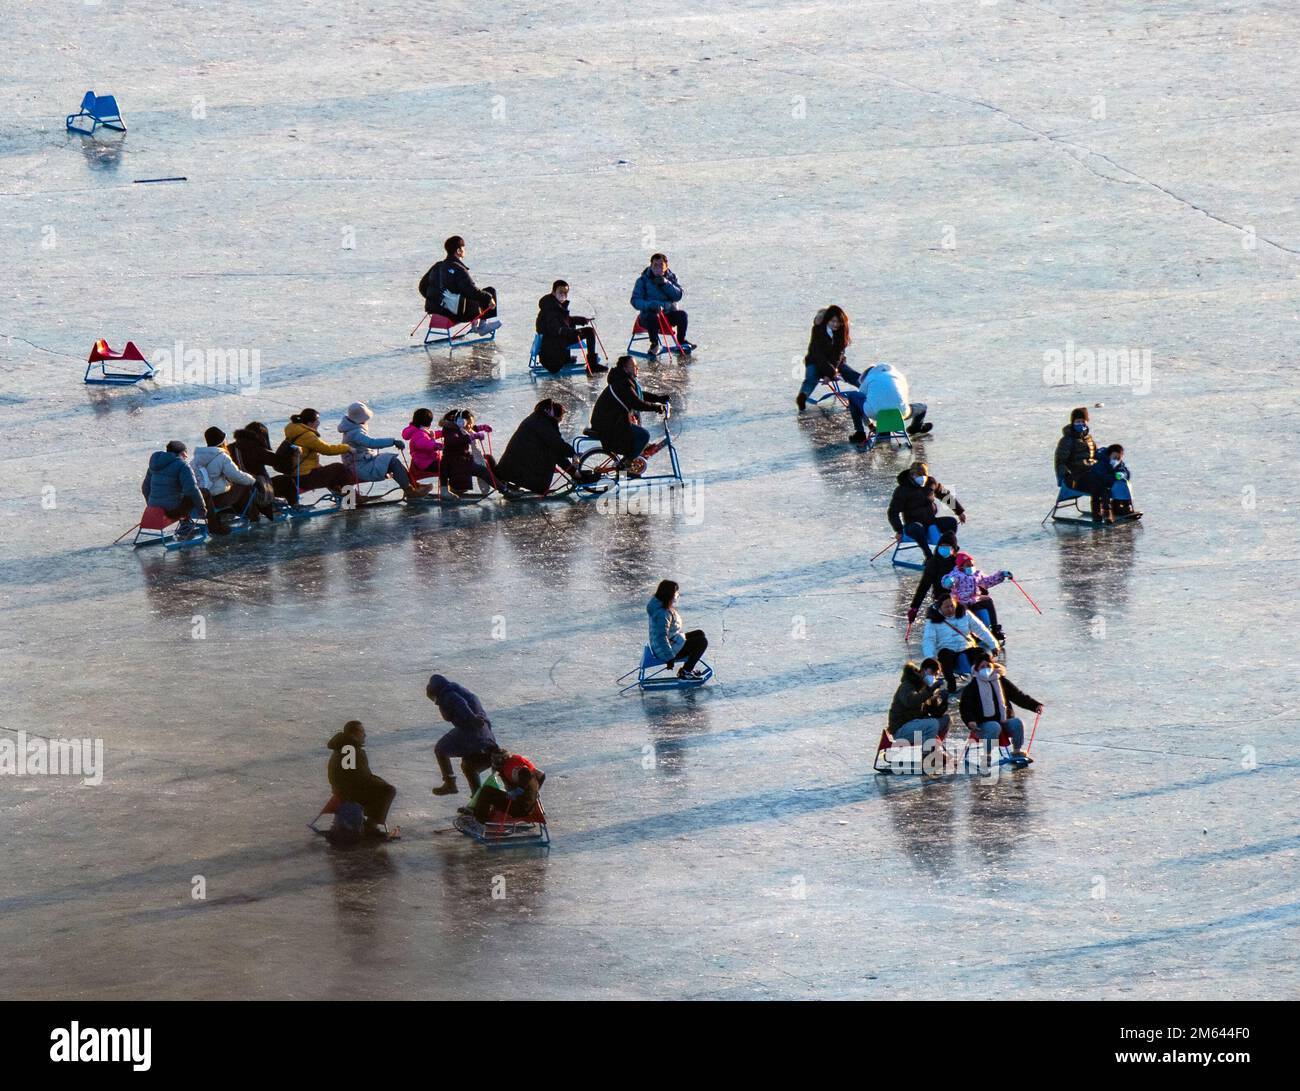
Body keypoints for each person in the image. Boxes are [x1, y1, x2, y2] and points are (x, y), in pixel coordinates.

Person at [959, 649, 1043, 769]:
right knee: (994, 726)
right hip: (982, 725)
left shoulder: (1001, 681)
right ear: (976, 669)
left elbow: (1018, 696)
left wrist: (1035, 705)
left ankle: (1017, 750)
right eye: (982, 666)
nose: (986, 668)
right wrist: (970, 721)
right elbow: (965, 708)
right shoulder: (972, 687)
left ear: (993, 666)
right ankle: (986, 755)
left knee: (1017, 723)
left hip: (1003, 720)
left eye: (988, 665)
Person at [588, 355, 670, 473]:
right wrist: (657, 407)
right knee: (643, 435)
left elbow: (638, 395)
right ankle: (626, 464)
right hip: (609, 426)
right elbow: (637, 402)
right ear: (625, 369)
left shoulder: (623, 381)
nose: (637, 368)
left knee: (640, 437)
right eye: (634, 366)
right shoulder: (623, 383)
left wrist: (659, 398)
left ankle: (627, 471)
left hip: (614, 422)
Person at [336, 402, 432, 500]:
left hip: (363, 461)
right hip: (359, 466)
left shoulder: (353, 428)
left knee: (391, 461)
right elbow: (371, 443)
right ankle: (409, 491)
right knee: (392, 461)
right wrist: (393, 442)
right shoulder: (355, 433)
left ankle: (413, 485)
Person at [495, 399, 590, 495]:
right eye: (560, 418)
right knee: (553, 453)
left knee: (553, 452)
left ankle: (575, 474)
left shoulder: (539, 418)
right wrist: (572, 453)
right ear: (555, 415)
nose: (560, 421)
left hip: (515, 461)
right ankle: (575, 475)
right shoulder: (543, 422)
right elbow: (556, 443)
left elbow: (555, 445)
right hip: (519, 462)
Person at [427, 674, 499, 796]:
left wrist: (472, 719)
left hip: (471, 732)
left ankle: (450, 783)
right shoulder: (459, 690)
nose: (435, 703)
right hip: (486, 737)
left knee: (440, 749)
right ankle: (476, 802)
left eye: (434, 699)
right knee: (469, 766)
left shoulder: (447, 695)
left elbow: (460, 704)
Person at [325, 720, 397, 838]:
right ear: (354, 734)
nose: (365, 735)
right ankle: (370, 826)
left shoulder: (346, 746)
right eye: (362, 732)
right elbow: (357, 778)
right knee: (388, 790)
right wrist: (380, 783)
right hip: (349, 792)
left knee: (382, 788)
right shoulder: (350, 750)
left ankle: (364, 821)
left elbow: (355, 775)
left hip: (344, 789)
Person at [418, 235, 501, 336]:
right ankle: (482, 326)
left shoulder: (437, 266)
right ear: (458, 251)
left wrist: (435, 300)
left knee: (466, 294)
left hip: (434, 311)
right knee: (489, 291)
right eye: (463, 247)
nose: (464, 250)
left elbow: (422, 287)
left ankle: (475, 324)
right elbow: (471, 291)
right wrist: (489, 298)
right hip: (453, 314)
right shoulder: (459, 268)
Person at [921, 594, 998, 693]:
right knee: (945, 657)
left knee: (981, 653)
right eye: (947, 607)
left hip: (966, 646)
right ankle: (951, 683)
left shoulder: (965, 614)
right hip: (947, 648)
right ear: (940, 607)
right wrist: (930, 656)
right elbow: (929, 639)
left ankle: (982, 679)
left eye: (952, 606)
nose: (950, 609)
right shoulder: (933, 621)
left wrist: (993, 645)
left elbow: (980, 629)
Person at [887, 461, 967, 557]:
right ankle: (929, 556)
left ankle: (950, 551)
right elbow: (892, 512)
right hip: (912, 525)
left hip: (930, 521)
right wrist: (899, 530)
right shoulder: (903, 490)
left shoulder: (930, 483)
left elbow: (945, 496)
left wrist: (960, 512)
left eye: (924, 475)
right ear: (912, 475)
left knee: (951, 522)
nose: (922, 478)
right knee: (918, 528)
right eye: (919, 475)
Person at [885, 658, 952, 771]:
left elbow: (934, 712)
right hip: (901, 729)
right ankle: (927, 757)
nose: (933, 677)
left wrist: (944, 700)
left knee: (946, 720)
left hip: (916, 725)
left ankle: (935, 749)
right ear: (924, 670)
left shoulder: (926, 688)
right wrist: (931, 690)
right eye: (932, 673)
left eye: (936, 675)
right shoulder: (907, 685)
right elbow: (911, 701)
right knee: (932, 724)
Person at [844, 362, 932, 446]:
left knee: (853, 396)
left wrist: (869, 424)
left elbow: (862, 398)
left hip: (877, 414)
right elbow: (904, 396)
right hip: (901, 414)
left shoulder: (870, 377)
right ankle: (915, 427)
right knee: (923, 407)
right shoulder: (899, 376)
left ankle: (860, 433)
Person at [140, 440, 209, 540]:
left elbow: (145, 488)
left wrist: (153, 505)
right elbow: (191, 489)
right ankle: (213, 525)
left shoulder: (154, 466)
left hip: (154, 509)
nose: (186, 457)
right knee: (203, 492)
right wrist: (202, 510)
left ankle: (185, 523)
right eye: (185, 454)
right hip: (172, 511)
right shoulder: (182, 465)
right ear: (181, 453)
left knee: (179, 495)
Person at [193, 427, 257, 534]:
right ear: (222, 441)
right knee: (245, 484)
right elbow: (237, 476)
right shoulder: (222, 456)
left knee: (237, 484)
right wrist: (254, 480)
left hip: (203, 499)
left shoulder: (197, 457)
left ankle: (230, 513)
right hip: (217, 500)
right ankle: (251, 516)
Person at [796, 305, 861, 411]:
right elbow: (818, 356)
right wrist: (829, 373)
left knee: (850, 374)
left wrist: (830, 373)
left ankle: (869, 391)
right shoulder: (818, 331)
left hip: (834, 363)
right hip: (815, 361)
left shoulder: (841, 333)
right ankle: (803, 397)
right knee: (811, 377)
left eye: (838, 322)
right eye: (832, 321)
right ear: (827, 320)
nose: (835, 324)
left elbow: (837, 355)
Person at [283, 408, 356, 499]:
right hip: (304, 478)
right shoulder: (307, 436)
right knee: (339, 468)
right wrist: (347, 448)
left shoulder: (295, 431)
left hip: (295, 474)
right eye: (317, 420)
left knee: (324, 469)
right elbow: (327, 449)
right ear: (310, 423)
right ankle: (351, 500)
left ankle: (340, 494)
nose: (319, 422)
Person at [630, 253, 693, 356]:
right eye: (655, 265)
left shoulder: (671, 278)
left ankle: (681, 341)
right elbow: (635, 301)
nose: (658, 268)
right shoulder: (642, 280)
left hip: (667, 315)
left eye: (661, 265)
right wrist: (650, 305)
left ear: (666, 266)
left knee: (682, 315)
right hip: (648, 316)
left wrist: (665, 284)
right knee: (652, 316)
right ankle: (654, 344)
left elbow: (678, 296)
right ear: (651, 266)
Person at [941, 552, 1010, 644]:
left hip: (974, 600)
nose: (971, 567)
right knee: (968, 614)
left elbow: (988, 581)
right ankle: (972, 635)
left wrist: (1002, 574)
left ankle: (994, 629)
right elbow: (947, 582)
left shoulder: (977, 574)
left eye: (972, 564)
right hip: (961, 603)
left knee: (988, 600)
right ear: (961, 566)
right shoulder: (956, 575)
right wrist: (948, 582)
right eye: (968, 565)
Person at [536, 280, 605, 373]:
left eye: (565, 292)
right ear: (553, 292)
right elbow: (555, 329)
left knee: (573, 327)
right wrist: (572, 332)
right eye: (560, 292)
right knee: (590, 332)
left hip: (557, 340)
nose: (563, 294)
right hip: (553, 344)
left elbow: (566, 320)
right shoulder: (551, 308)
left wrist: (582, 320)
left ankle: (566, 357)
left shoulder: (554, 304)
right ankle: (592, 365)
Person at [231, 421, 300, 511]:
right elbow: (281, 464)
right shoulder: (256, 450)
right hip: (256, 490)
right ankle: (295, 507)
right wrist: (290, 450)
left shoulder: (231, 447)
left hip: (237, 491)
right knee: (287, 481)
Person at [647, 579, 708, 680]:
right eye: (676, 592)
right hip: (666, 650)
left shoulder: (660, 606)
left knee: (699, 633)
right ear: (669, 594)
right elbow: (661, 637)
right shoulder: (663, 613)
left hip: (670, 642)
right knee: (702, 642)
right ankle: (686, 671)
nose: (677, 594)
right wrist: (669, 657)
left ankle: (688, 668)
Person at [472, 746, 546, 825]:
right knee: (487, 790)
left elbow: (525, 774)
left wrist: (519, 791)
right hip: (527, 805)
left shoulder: (514, 770)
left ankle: (480, 820)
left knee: (486, 794)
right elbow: (542, 775)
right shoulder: (520, 763)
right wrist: (533, 793)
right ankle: (479, 814)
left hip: (519, 809)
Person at [438, 408, 497, 499]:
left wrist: (482, 427)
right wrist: (472, 437)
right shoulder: (452, 431)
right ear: (460, 422)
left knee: (488, 458)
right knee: (482, 468)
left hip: (463, 458)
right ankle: (501, 487)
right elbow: (455, 439)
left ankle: (499, 481)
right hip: (456, 461)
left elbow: (469, 429)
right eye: (469, 423)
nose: (470, 426)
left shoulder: (458, 427)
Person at [907, 532, 960, 625]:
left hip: (960, 598)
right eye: (942, 545)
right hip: (941, 599)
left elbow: (971, 579)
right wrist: (914, 607)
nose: (944, 548)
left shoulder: (958, 562)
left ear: (953, 549)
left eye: (948, 546)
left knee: (986, 603)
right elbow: (924, 586)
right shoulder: (933, 563)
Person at [1087, 443, 1141, 522]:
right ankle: (1105, 512)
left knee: (1123, 485)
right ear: (1109, 455)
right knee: (1104, 491)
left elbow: (1126, 472)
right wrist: (1114, 477)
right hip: (1097, 482)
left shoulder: (1119, 463)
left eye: (1118, 458)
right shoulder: (1101, 462)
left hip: (1109, 481)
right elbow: (1103, 477)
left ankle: (1124, 507)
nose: (1116, 460)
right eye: (1114, 457)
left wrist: (1123, 474)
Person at [402, 408, 443, 482]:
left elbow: (430, 435)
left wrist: (444, 433)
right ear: (429, 422)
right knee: (448, 466)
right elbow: (425, 444)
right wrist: (437, 445)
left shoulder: (419, 430)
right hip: (426, 463)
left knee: (448, 463)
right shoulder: (419, 434)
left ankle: (449, 487)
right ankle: (446, 489)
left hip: (426, 460)